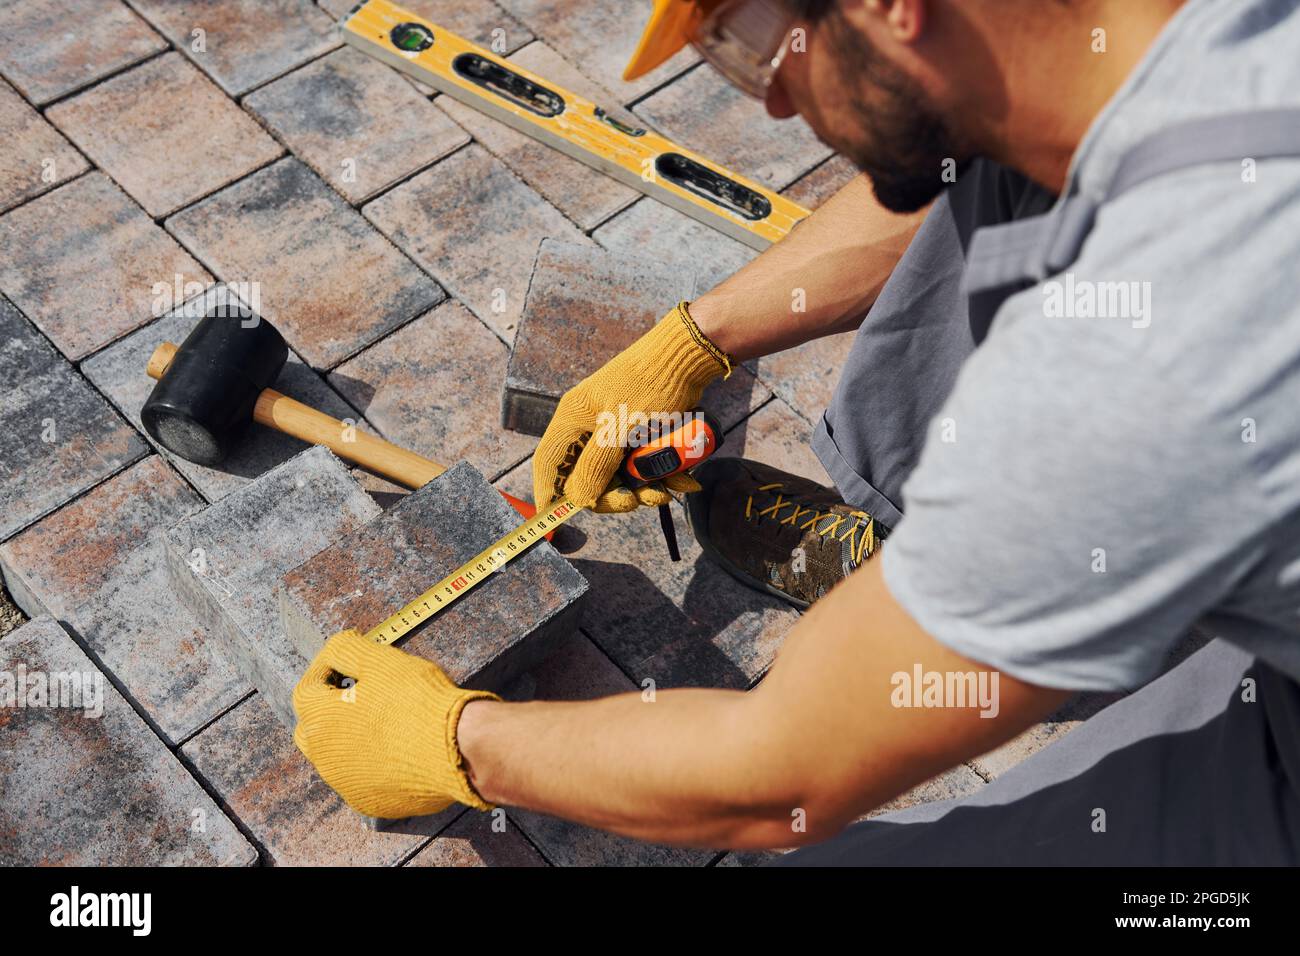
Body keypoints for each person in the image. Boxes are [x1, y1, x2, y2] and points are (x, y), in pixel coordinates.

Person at [292, 0, 1300, 864]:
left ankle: (988, 585)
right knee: (981, 185)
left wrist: (455, 739)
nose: (771, 98)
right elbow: (956, 147)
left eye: (751, 37)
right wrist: (695, 340)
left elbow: (773, 777)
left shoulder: (1152, 352)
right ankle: (1002, 574)